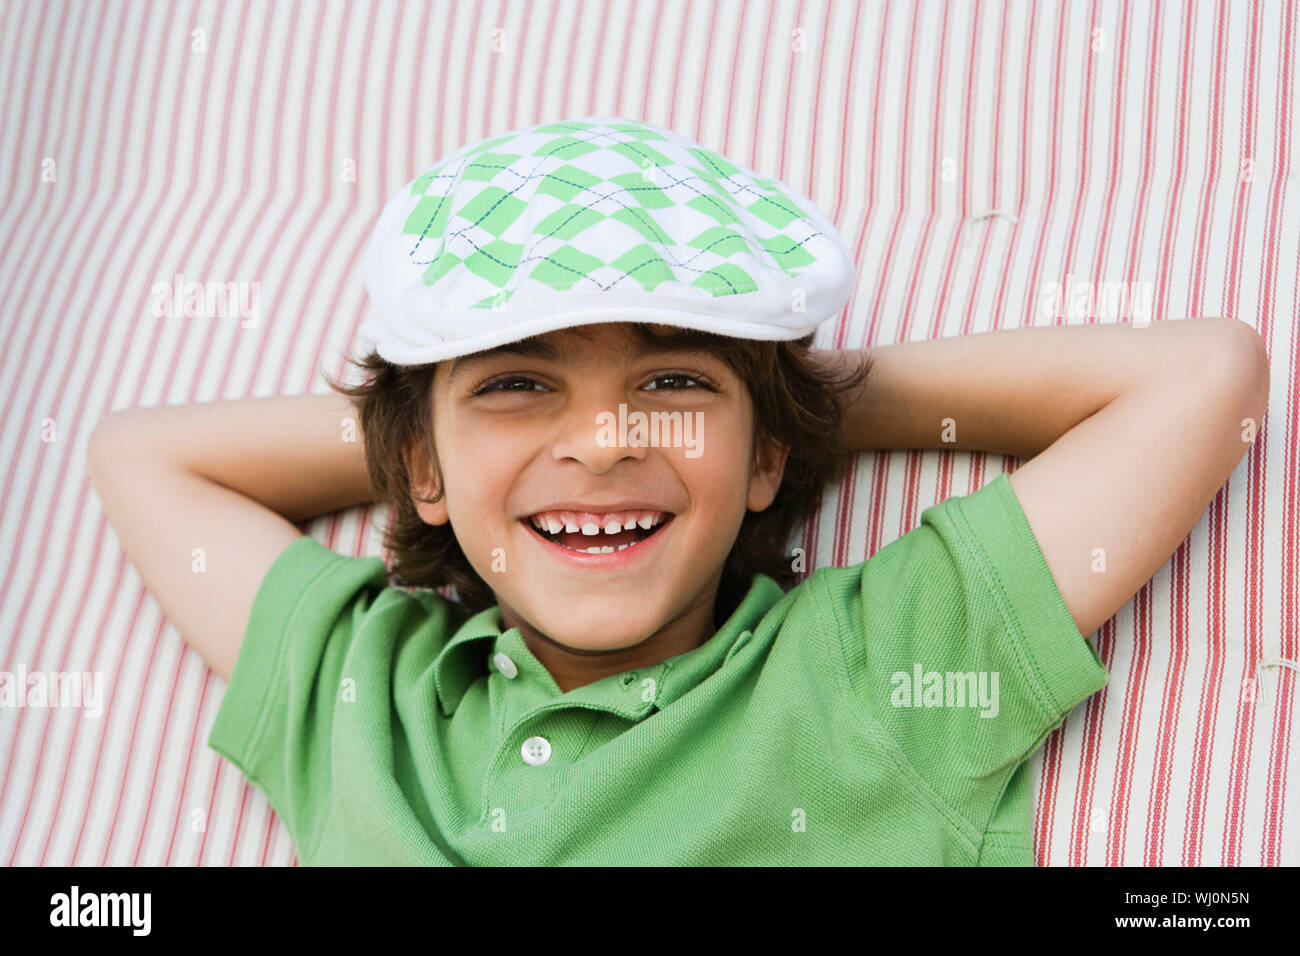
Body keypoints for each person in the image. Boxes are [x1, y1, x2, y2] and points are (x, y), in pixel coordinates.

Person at [88, 115, 1269, 865]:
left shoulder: (870, 670)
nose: (605, 441)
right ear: (416, 468)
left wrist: (794, 407)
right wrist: (450, 447)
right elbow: (142, 454)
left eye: (668, 379)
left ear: (767, 456)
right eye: (517, 381)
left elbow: (1201, 375)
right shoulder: (366, 691)